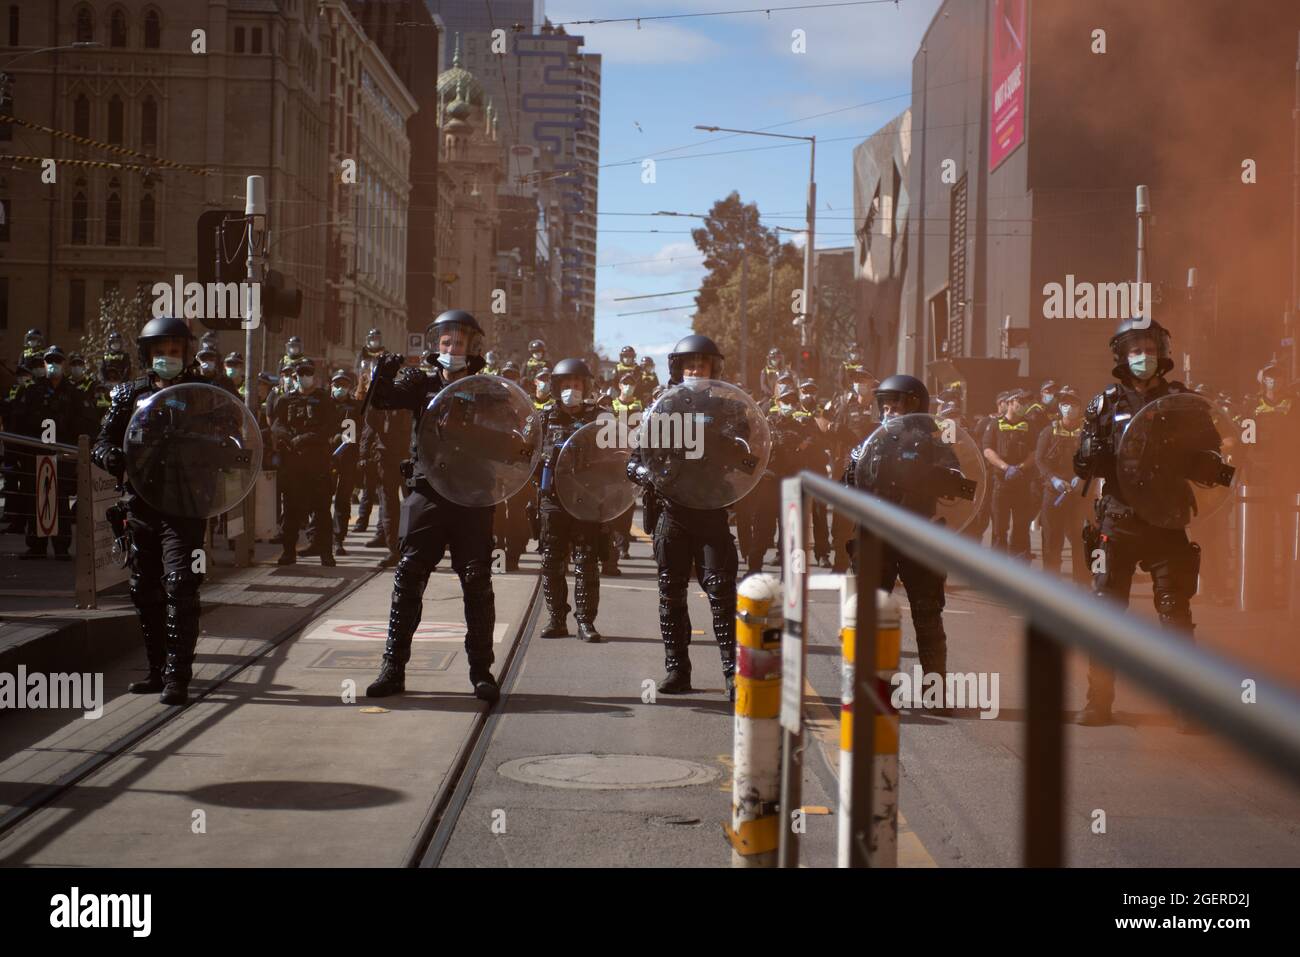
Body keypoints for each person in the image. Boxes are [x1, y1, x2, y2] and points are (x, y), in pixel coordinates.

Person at [1073, 318, 1230, 728]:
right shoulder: (1104, 405)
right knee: (1105, 612)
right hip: (1117, 521)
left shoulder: (1183, 402)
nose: (1143, 356)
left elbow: (1212, 456)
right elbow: (1081, 466)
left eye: (1149, 348)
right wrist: (1091, 451)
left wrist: (1209, 465)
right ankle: (1098, 701)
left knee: (1174, 612)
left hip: (1167, 520)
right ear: (1122, 356)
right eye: (1135, 350)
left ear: (1162, 352)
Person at [364, 310, 502, 702]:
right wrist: (382, 373)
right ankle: (393, 668)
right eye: (445, 342)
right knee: (408, 574)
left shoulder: (487, 389)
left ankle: (481, 671)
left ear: (472, 347)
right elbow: (383, 402)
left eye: (458, 342)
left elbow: (509, 433)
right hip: (427, 490)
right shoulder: (419, 382)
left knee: (476, 579)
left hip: (472, 494)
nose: (451, 348)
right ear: (435, 344)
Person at [92, 317, 212, 705]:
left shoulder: (204, 393)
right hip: (141, 504)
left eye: (174, 352)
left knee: (181, 584)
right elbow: (103, 440)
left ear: (185, 353)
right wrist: (109, 454)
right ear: (148, 355)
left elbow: (230, 439)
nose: (167, 358)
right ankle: (157, 670)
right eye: (160, 352)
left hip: (185, 507)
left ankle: (179, 677)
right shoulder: (128, 395)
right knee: (144, 589)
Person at [845, 374, 968, 715]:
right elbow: (846, 483)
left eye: (896, 402)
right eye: (885, 402)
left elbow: (959, 485)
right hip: (875, 533)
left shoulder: (935, 441)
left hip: (918, 532)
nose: (889, 408)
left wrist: (931, 474)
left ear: (914, 404)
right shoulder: (868, 439)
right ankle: (873, 688)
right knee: (872, 614)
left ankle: (936, 691)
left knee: (927, 613)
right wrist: (855, 464)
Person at [626, 334, 741, 696]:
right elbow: (634, 463)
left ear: (713, 368)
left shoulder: (728, 408)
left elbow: (748, 454)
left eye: (702, 365)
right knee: (671, 593)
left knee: (721, 591)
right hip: (672, 512)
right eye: (689, 365)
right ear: (678, 368)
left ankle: (733, 672)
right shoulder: (660, 406)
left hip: (711, 510)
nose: (695, 370)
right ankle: (677, 671)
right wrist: (651, 476)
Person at [536, 358, 606, 642]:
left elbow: (616, 455)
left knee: (586, 561)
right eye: (566, 385)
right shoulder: (544, 418)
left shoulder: (600, 417)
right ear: (556, 387)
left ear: (586, 386)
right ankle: (556, 618)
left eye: (576, 384)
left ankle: (586, 622)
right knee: (552, 560)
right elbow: (525, 453)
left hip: (586, 499)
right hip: (552, 499)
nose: (572, 390)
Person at [13, 346, 98, 559]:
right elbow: (18, 422)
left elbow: (87, 424)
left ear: (63, 364)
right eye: (49, 361)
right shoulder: (33, 391)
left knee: (59, 500)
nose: (53, 365)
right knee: (37, 499)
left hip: (63, 455)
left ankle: (61, 547)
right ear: (44, 364)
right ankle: (36, 545)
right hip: (36, 454)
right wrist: (19, 455)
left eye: (57, 361)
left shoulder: (74, 393)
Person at [271, 360, 339, 566]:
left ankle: (326, 553)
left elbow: (331, 426)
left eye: (307, 373)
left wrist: (307, 437)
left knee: (322, 511)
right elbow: (277, 425)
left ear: (314, 376)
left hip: (317, 462)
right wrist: (289, 438)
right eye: (300, 373)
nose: (303, 377)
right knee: (291, 510)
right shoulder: (285, 400)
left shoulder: (324, 400)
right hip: (293, 464)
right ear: (294, 377)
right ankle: (288, 552)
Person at [1034, 386, 1088, 583]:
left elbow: (1094, 459)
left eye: (1073, 404)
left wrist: (1082, 477)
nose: (1069, 408)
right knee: (1051, 540)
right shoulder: (1049, 431)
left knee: (1080, 541)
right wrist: (1053, 479)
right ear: (1059, 407)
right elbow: (1040, 460)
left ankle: (1081, 587)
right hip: (1054, 493)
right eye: (1065, 403)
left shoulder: (1087, 432)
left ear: (1080, 407)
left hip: (1079, 494)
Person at [983, 389, 1036, 559]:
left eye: (1026, 402)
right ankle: (998, 569)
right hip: (1001, 483)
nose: (1023, 405)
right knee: (1000, 528)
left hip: (1022, 483)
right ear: (1010, 403)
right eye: (1020, 401)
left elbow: (1034, 452)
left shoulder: (1029, 426)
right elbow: (987, 450)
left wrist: (1020, 468)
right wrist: (1005, 467)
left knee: (1021, 526)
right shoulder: (994, 424)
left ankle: (1019, 568)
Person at [329, 369, 362, 556]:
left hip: (348, 460)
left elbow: (361, 432)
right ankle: (318, 538)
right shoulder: (325, 405)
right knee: (322, 500)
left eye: (344, 385)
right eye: (337, 384)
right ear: (331, 386)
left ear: (350, 387)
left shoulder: (355, 407)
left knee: (343, 501)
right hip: (326, 459)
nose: (340, 388)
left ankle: (338, 539)